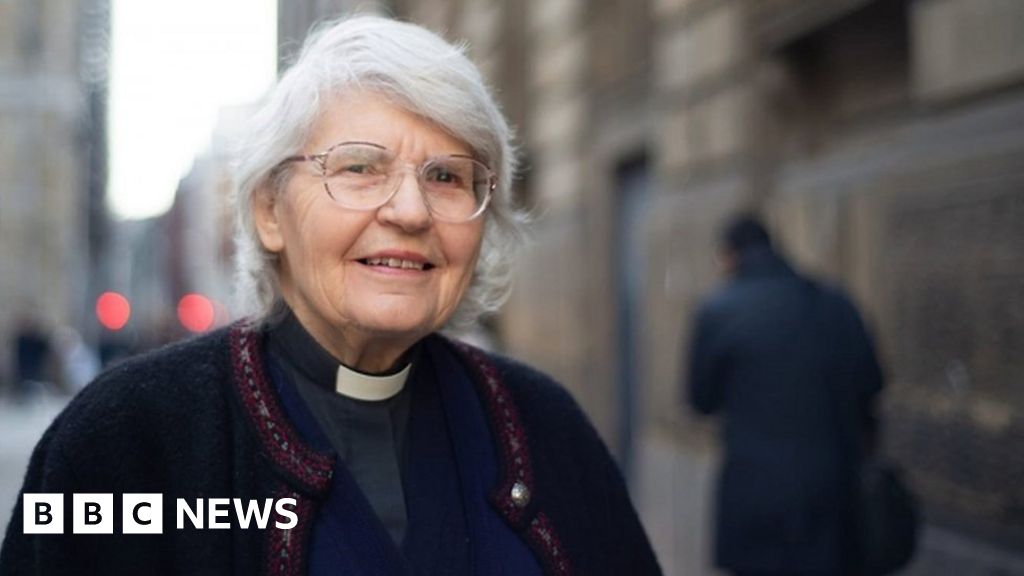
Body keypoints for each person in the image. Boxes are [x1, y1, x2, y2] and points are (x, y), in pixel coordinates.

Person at [0, 16, 661, 576]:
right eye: (359, 167)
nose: (410, 210)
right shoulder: (124, 437)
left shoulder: (545, 426)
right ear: (269, 211)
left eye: (446, 176)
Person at [685, 214, 883, 576]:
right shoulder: (836, 302)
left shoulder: (717, 310)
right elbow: (871, 384)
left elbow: (700, 401)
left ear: (728, 256)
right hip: (831, 487)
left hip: (754, 491)